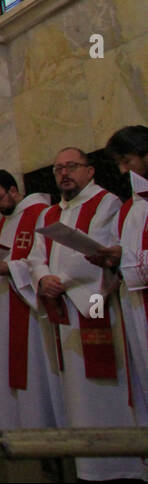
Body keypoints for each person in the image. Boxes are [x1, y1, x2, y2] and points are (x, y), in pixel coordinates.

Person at [27, 146, 143, 480]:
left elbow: (103, 251)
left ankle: (116, 466)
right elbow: (35, 256)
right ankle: (84, 465)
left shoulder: (106, 202)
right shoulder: (49, 214)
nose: (64, 173)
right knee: (72, 389)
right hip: (62, 308)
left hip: (93, 304)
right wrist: (41, 277)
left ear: (90, 171)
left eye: (72, 166)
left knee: (103, 385)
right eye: (58, 168)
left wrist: (60, 279)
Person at [0, 169, 62, 434]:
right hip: (7, 304)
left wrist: (10, 269)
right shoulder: (5, 221)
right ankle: (16, 435)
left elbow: (46, 261)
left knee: (37, 371)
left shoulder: (40, 213)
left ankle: (43, 433)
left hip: (34, 312)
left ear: (14, 190)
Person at [104, 125, 148, 423]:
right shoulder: (131, 206)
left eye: (127, 161)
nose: (122, 170)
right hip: (136, 306)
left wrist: (131, 261)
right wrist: (114, 259)